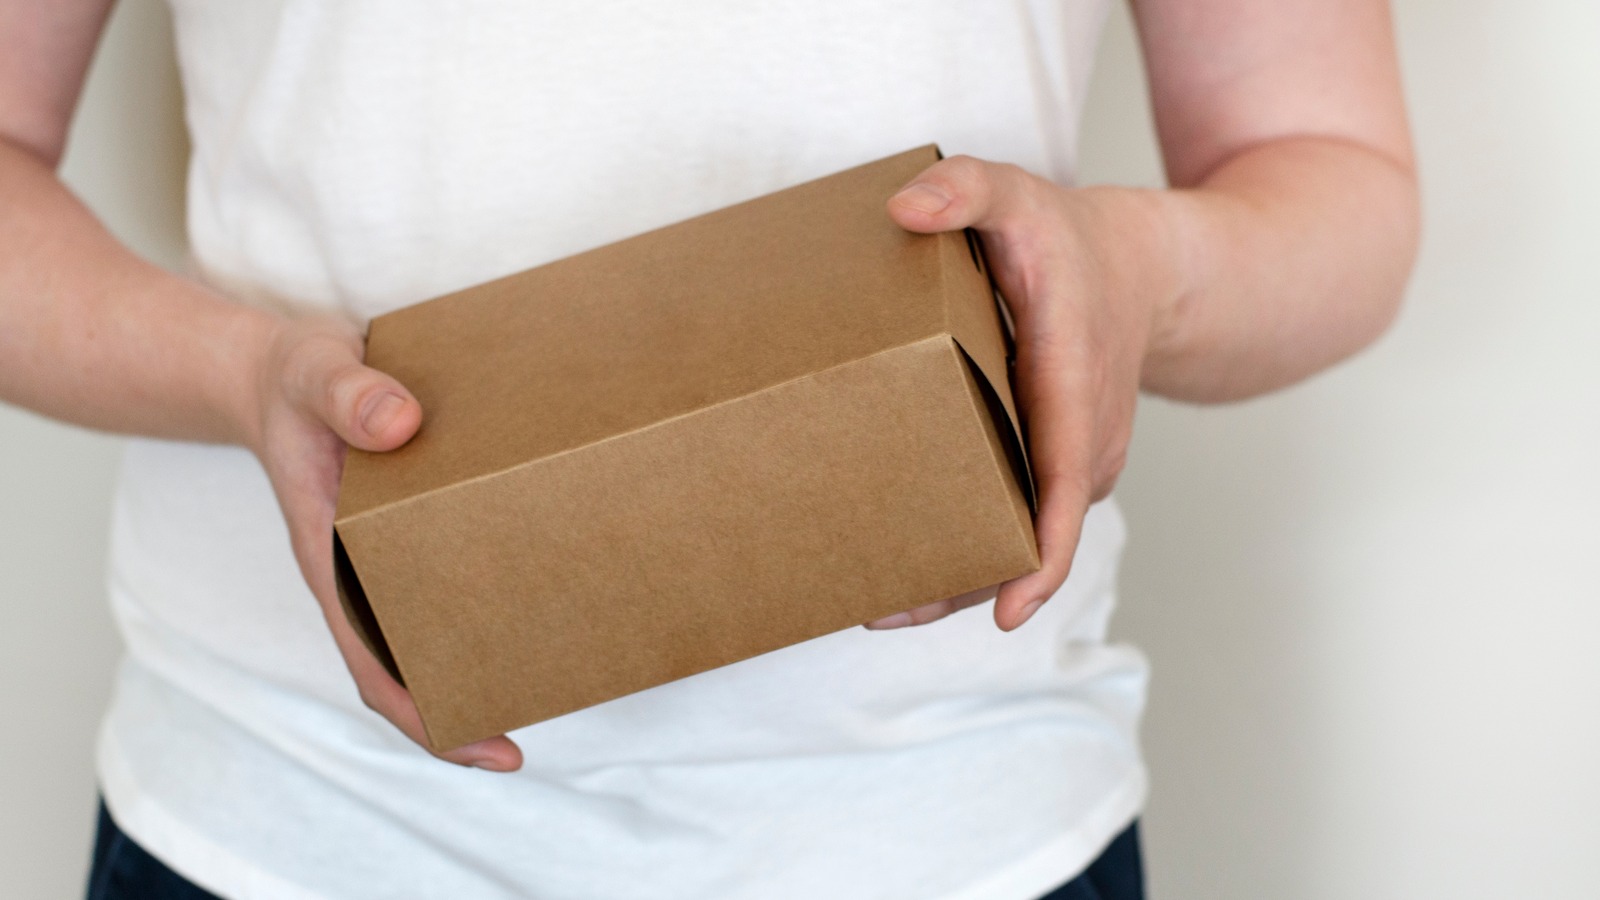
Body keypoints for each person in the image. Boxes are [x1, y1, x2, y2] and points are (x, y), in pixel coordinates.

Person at [0, 1, 1419, 898]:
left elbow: (1329, 176)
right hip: (290, 820)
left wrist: (1131, 266)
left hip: (953, 830)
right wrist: (242, 375)